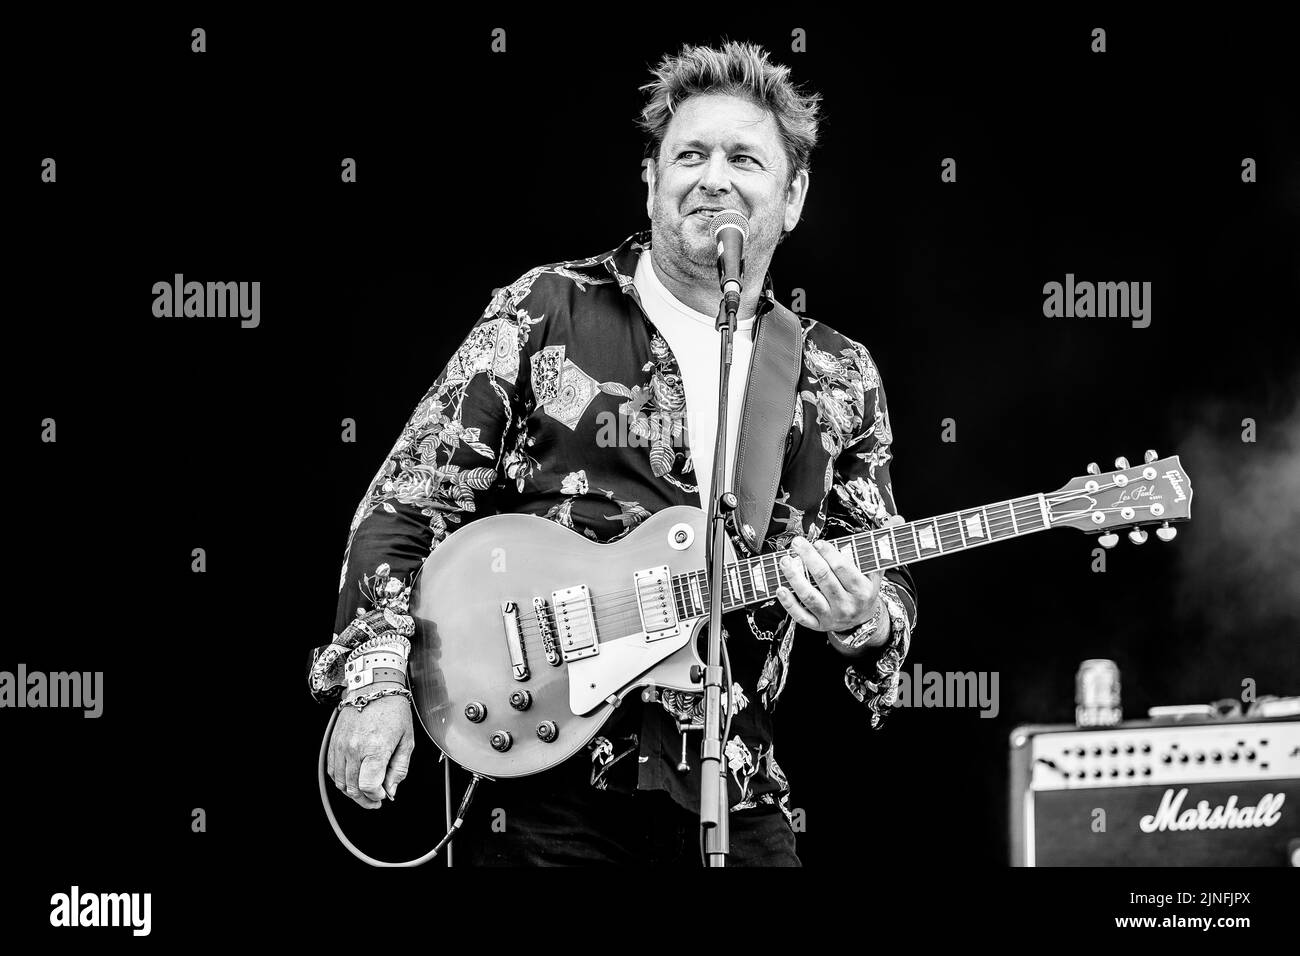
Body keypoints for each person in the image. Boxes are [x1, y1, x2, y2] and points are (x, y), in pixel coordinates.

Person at [309, 39, 918, 866]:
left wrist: (865, 618)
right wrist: (378, 682)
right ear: (651, 179)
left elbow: (885, 574)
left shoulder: (836, 373)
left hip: (732, 781)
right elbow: (406, 503)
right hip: (543, 780)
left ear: (795, 194)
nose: (714, 178)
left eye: (745, 158)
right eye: (689, 155)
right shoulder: (546, 309)